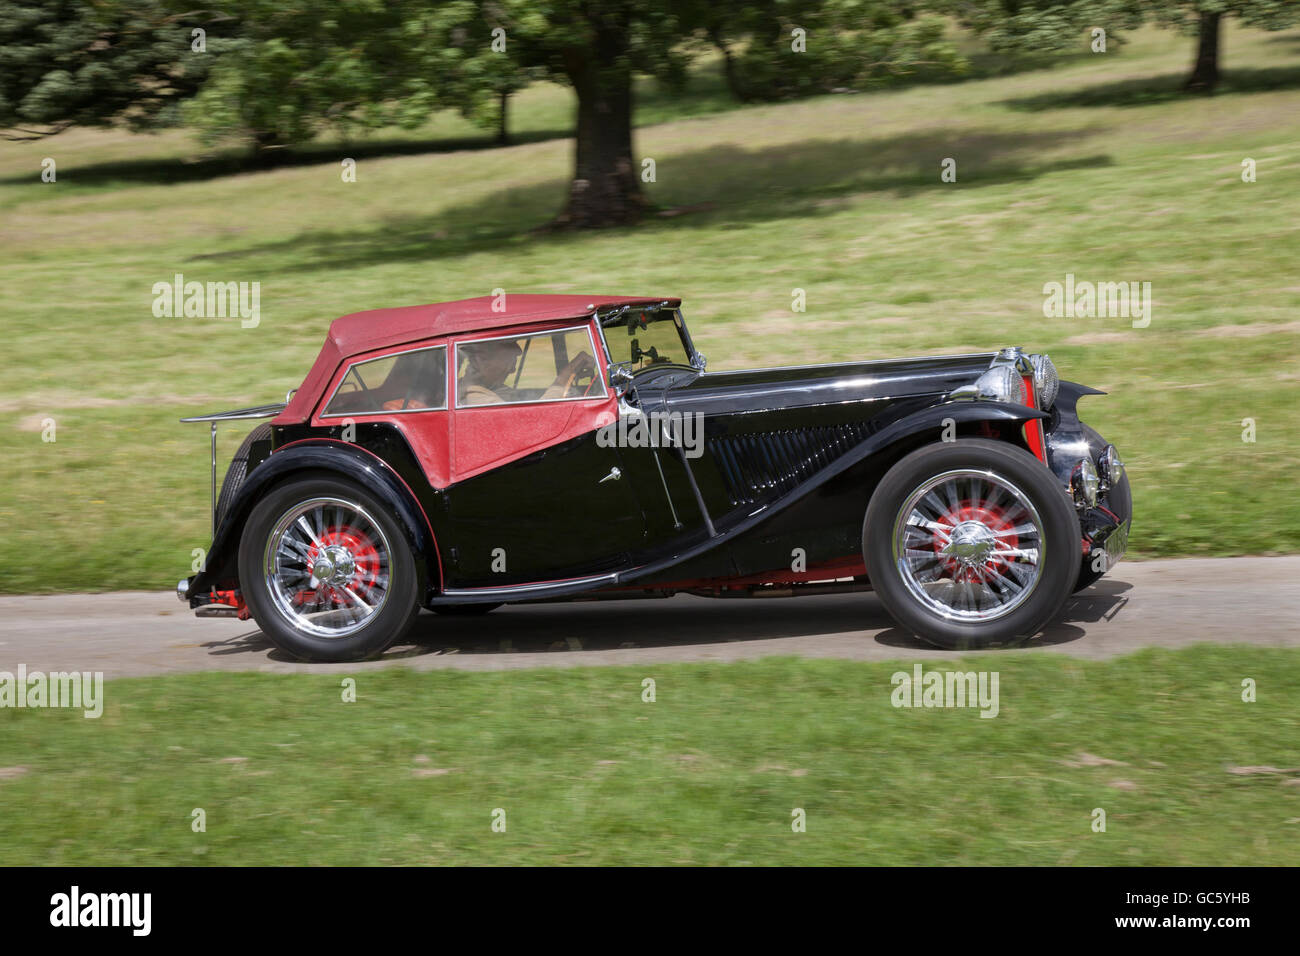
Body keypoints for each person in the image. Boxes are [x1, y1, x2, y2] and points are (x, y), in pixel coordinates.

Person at [459, 337, 597, 406]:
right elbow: (538, 418)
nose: (513, 370)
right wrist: (568, 372)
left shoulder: (491, 388)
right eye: (507, 344)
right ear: (480, 360)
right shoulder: (477, 401)